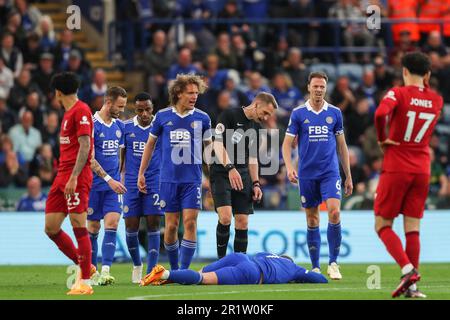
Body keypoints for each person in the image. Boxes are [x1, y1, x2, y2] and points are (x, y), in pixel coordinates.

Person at [373, 52, 443, 298]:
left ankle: (408, 269)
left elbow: (381, 114)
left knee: (382, 224)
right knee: (412, 227)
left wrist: (383, 139)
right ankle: (413, 288)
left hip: (397, 164)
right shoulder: (437, 100)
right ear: (427, 75)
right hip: (422, 167)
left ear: (404, 71)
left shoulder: (398, 93)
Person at [281, 71, 353, 280]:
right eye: (316, 86)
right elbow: (286, 144)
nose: (319, 90)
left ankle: (333, 263)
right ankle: (315, 266)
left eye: (322, 87)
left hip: (330, 173)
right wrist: (288, 166)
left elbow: (342, 146)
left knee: (334, 213)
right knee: (312, 220)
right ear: (309, 87)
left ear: (326, 88)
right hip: (307, 174)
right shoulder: (298, 113)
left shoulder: (335, 113)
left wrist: (347, 175)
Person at [138, 74, 212, 271]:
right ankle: (174, 267)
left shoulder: (203, 118)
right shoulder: (162, 117)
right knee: (171, 226)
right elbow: (150, 146)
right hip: (168, 180)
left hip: (192, 180)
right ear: (178, 93)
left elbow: (209, 149)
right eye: (190, 93)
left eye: (197, 93)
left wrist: (213, 177)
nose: (195, 96)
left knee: (190, 223)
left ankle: (184, 269)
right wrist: (141, 173)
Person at [44, 72, 95, 295]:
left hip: (76, 176)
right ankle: (86, 266)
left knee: (78, 226)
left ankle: (84, 282)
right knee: (51, 228)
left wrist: (74, 176)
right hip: (61, 176)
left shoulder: (81, 110)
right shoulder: (67, 113)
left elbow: (85, 147)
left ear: (57, 92)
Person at [210, 92, 277, 259]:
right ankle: (221, 262)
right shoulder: (229, 115)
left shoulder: (257, 128)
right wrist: (230, 168)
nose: (267, 118)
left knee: (242, 221)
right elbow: (217, 145)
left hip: (243, 175)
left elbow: (253, 158)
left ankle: (240, 264)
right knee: (225, 218)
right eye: (266, 113)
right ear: (256, 105)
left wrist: (255, 183)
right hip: (222, 172)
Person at [87, 86, 128, 286]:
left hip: (113, 187)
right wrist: (109, 180)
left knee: (112, 223)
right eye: (119, 106)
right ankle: (91, 272)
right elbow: (90, 159)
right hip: (94, 185)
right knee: (93, 227)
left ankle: (105, 271)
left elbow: (121, 158)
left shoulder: (119, 127)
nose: (121, 110)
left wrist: (118, 178)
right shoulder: (92, 125)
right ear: (108, 102)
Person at [122, 92, 163, 283]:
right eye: (140, 110)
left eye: (147, 109)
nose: (144, 113)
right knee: (131, 226)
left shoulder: (160, 127)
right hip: (131, 182)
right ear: (135, 109)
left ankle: (151, 270)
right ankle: (137, 264)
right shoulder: (127, 127)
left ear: (152, 107)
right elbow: (121, 158)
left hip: (154, 181)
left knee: (154, 224)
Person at [140, 252, 328, 286]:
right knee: (202, 279)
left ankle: (168, 278)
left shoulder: (268, 254)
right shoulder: (293, 267)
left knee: (203, 270)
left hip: (240, 257)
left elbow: (258, 255)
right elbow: (320, 279)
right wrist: (301, 275)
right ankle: (164, 273)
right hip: (252, 273)